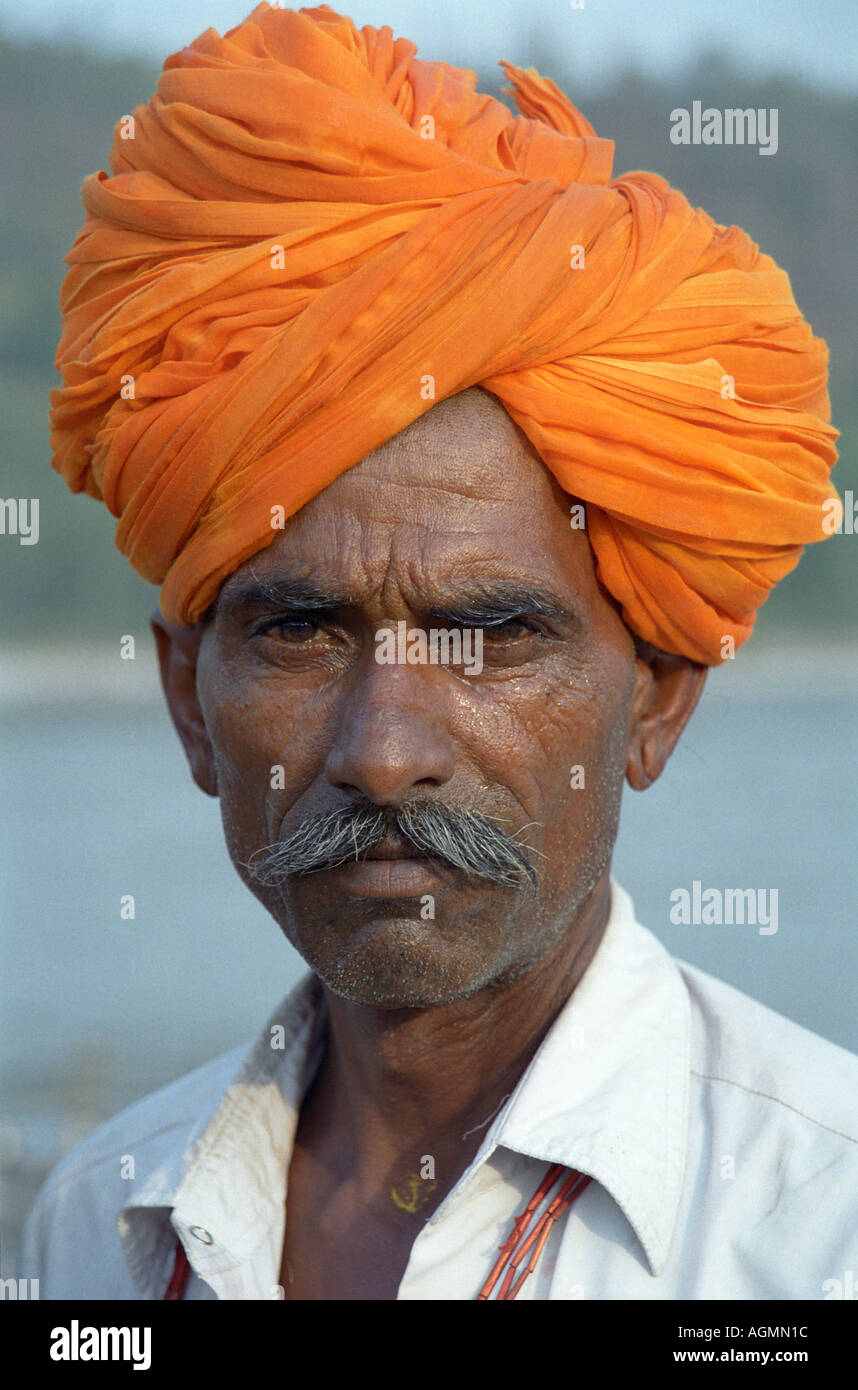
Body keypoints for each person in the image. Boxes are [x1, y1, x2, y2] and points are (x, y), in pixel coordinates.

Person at [22, 4, 856, 1300]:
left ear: (656, 701)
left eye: (488, 636)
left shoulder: (815, 1231)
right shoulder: (105, 1226)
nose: (383, 752)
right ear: (189, 700)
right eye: (299, 631)